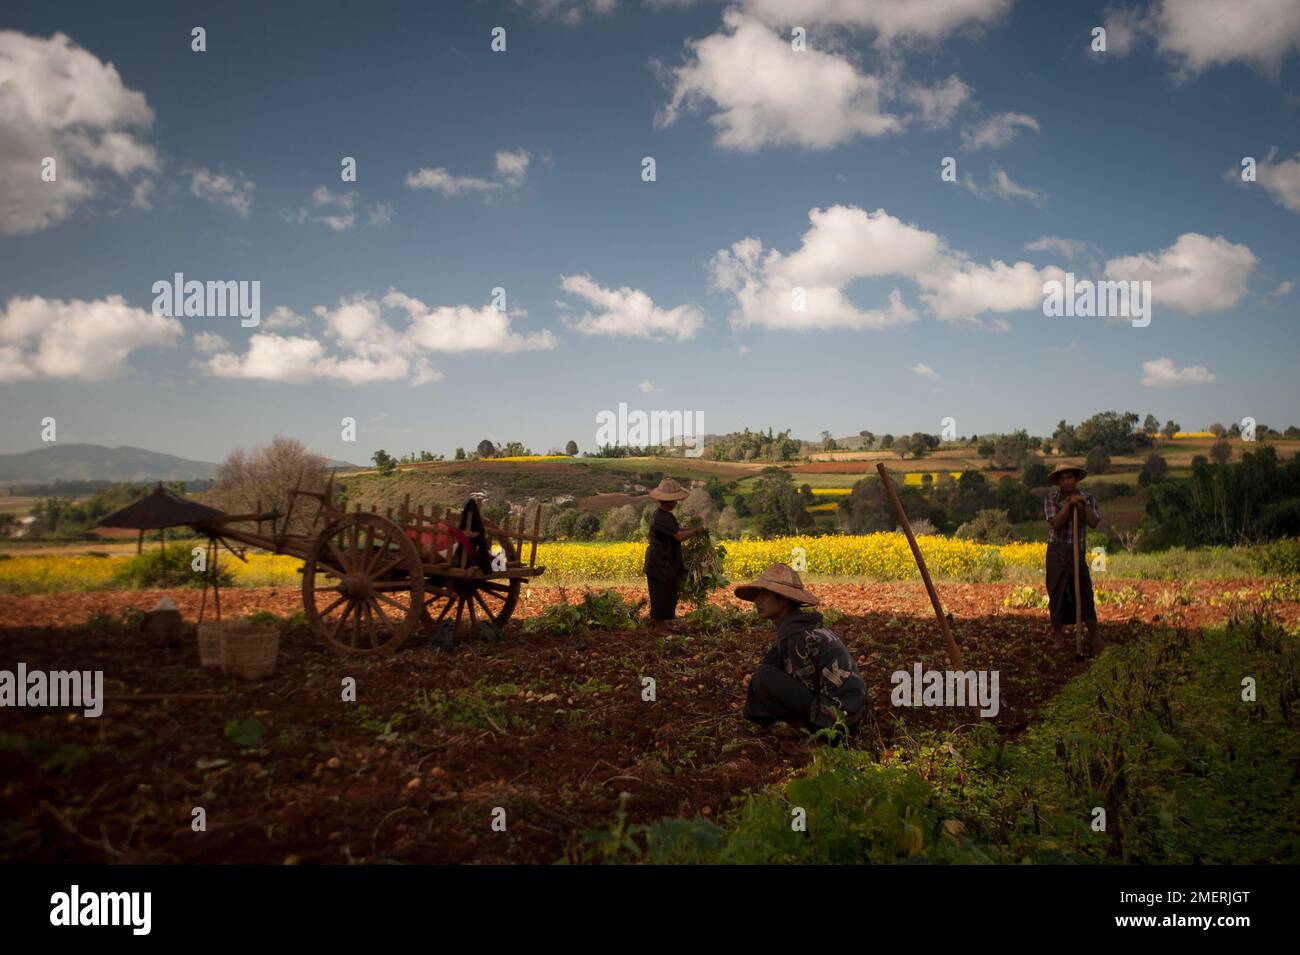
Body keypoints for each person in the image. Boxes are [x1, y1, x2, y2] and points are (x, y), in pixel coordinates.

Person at [736, 563, 865, 739]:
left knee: (763, 676)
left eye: (764, 594)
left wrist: (759, 680)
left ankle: (812, 738)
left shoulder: (796, 636)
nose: (758, 600)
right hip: (849, 715)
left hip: (836, 722)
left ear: (783, 599)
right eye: (758, 594)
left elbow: (806, 686)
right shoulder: (801, 627)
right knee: (764, 670)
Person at [1044, 463, 1103, 654]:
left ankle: (1094, 637)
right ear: (1058, 482)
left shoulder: (1088, 498)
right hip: (1057, 551)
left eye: (1069, 477)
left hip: (1078, 550)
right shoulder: (1052, 499)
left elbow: (1094, 522)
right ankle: (1059, 639)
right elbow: (1056, 524)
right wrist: (1069, 505)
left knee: (1085, 592)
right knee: (1057, 593)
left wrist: (1081, 505)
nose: (1066, 481)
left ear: (1075, 479)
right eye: (1062, 478)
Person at [643, 478, 701, 628]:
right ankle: (659, 630)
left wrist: (692, 529)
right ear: (668, 502)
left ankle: (662, 628)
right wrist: (695, 531)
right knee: (661, 600)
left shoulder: (664, 516)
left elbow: (677, 531)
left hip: (664, 565)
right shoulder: (662, 517)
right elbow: (679, 536)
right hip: (660, 566)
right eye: (674, 501)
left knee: (667, 598)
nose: (676, 503)